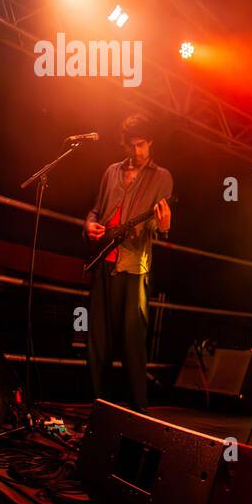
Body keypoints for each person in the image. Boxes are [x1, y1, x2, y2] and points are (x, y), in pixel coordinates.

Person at [84, 114, 172, 409]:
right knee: (97, 341)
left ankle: (138, 411)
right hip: (103, 262)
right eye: (131, 145)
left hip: (134, 267)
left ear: (151, 143)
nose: (136, 151)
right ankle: (97, 406)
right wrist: (89, 224)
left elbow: (157, 226)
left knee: (132, 342)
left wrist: (164, 226)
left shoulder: (162, 177)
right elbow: (96, 210)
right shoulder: (112, 171)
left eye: (141, 145)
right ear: (124, 144)